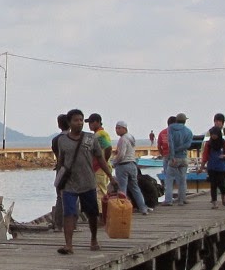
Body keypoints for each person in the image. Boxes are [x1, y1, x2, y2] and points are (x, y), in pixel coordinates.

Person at [53, 109, 102, 254]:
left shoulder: (90, 139)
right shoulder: (62, 140)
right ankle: (69, 245)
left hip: (88, 182)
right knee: (69, 213)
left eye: (81, 120)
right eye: (76, 120)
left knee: (92, 214)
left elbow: (99, 158)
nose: (79, 123)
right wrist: (58, 182)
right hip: (69, 184)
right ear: (69, 122)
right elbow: (60, 162)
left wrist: (110, 176)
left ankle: (94, 239)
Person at [111, 121, 151, 214]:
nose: (117, 130)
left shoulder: (123, 139)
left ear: (124, 128)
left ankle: (122, 210)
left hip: (123, 165)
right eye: (116, 128)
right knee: (135, 187)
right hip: (132, 164)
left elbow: (121, 154)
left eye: (118, 128)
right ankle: (143, 208)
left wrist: (114, 162)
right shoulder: (131, 138)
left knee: (122, 189)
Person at [165, 112, 195, 206]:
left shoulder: (171, 129)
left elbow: (171, 143)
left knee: (169, 179)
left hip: (174, 158)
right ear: (185, 121)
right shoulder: (189, 131)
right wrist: (180, 149)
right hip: (183, 157)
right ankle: (182, 200)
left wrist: (172, 155)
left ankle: (168, 200)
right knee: (182, 180)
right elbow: (188, 145)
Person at [202, 126, 225, 207]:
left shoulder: (224, 143)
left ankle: (224, 195)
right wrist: (202, 167)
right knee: (213, 185)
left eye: (215, 134)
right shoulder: (209, 144)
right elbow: (205, 156)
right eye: (212, 134)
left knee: (221, 184)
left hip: (221, 167)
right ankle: (214, 202)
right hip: (212, 167)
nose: (213, 136)